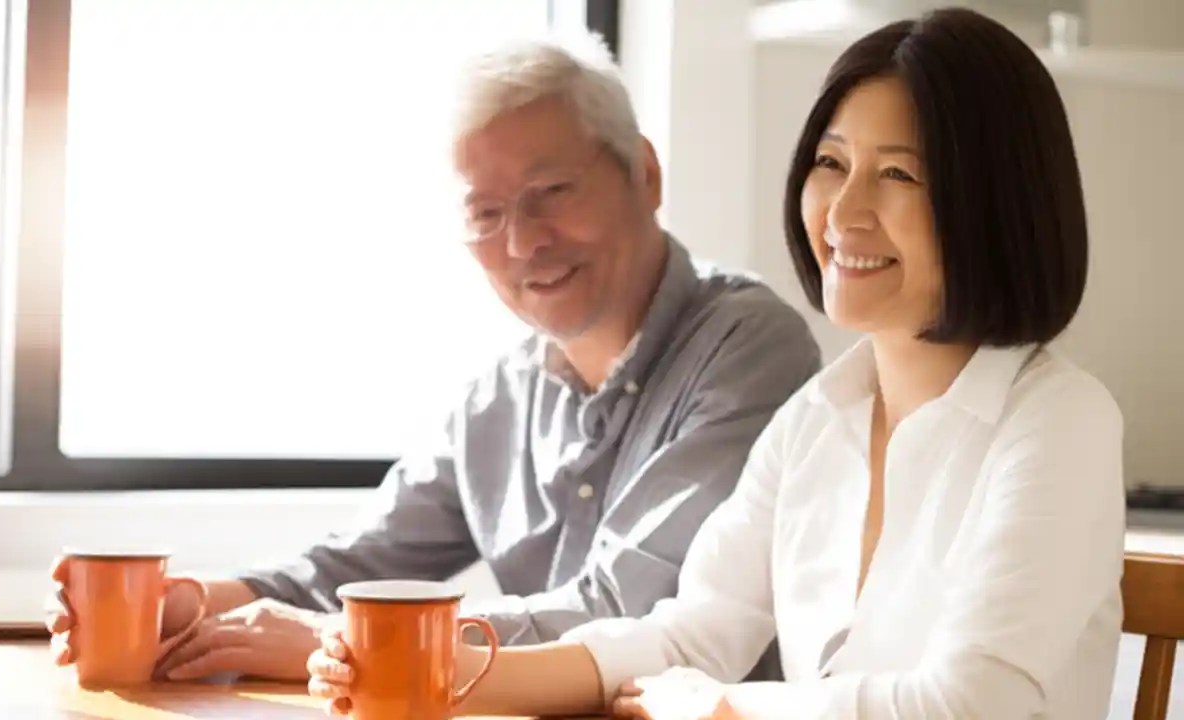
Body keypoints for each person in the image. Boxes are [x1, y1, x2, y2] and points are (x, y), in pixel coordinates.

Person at [310, 8, 1127, 719]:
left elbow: (966, 706)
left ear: (993, 202)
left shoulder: (1060, 423)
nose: (842, 212)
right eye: (831, 163)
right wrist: (429, 672)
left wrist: (724, 705)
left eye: (898, 175)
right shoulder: (814, 420)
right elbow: (685, 633)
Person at [45, 33, 819, 683]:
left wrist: (338, 643)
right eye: (485, 213)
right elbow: (356, 562)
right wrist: (191, 605)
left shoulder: (747, 345)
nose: (523, 243)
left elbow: (630, 609)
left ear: (644, 174)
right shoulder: (497, 401)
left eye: (552, 191)